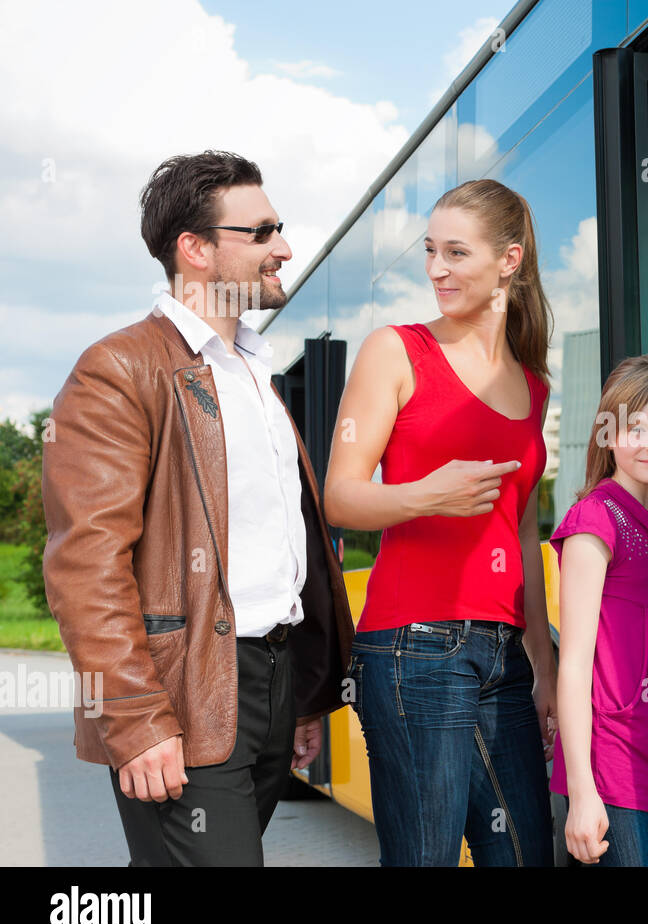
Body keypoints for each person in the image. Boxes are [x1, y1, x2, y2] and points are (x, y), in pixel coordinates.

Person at [41, 150, 354, 866]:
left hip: (268, 686)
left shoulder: (252, 369)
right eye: (264, 231)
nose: (284, 247)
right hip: (184, 692)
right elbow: (86, 564)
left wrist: (302, 692)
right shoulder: (118, 370)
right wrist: (134, 718)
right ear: (197, 250)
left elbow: (281, 545)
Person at [323, 179, 555, 866]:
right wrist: (426, 495)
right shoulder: (395, 351)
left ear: (509, 261)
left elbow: (523, 533)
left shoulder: (533, 383)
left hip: (505, 654)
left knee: (522, 854)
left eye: (457, 252)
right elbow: (340, 495)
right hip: (413, 650)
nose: (436, 269)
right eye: (430, 251)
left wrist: (542, 661)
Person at [549, 355, 648, 867]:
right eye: (635, 427)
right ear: (608, 433)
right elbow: (572, 664)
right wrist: (582, 792)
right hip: (610, 765)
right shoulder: (595, 519)